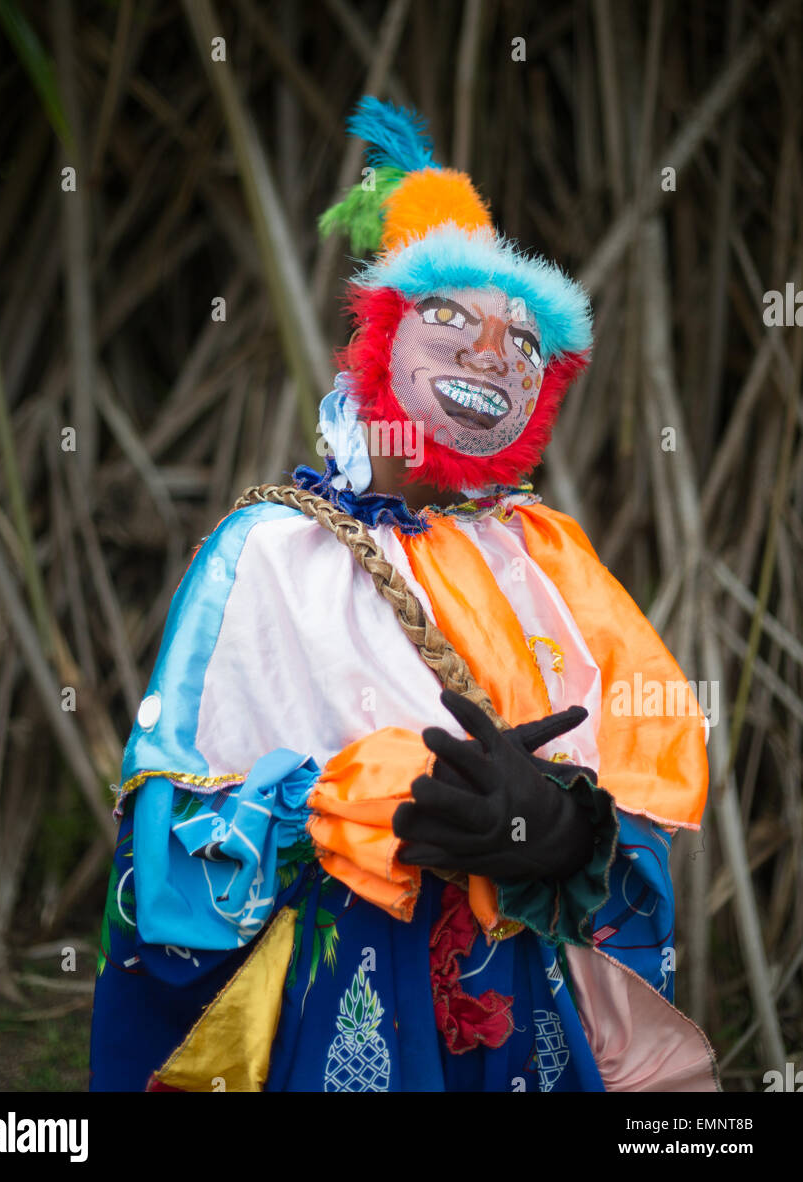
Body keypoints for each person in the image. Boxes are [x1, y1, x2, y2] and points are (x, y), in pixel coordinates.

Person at [90, 98, 718, 1092]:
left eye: (518, 341)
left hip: (523, 1005)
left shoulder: (547, 558)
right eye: (449, 323)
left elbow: (636, 806)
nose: (486, 356)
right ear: (376, 343)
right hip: (335, 1002)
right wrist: (333, 802)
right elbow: (163, 841)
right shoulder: (264, 551)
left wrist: (559, 829)